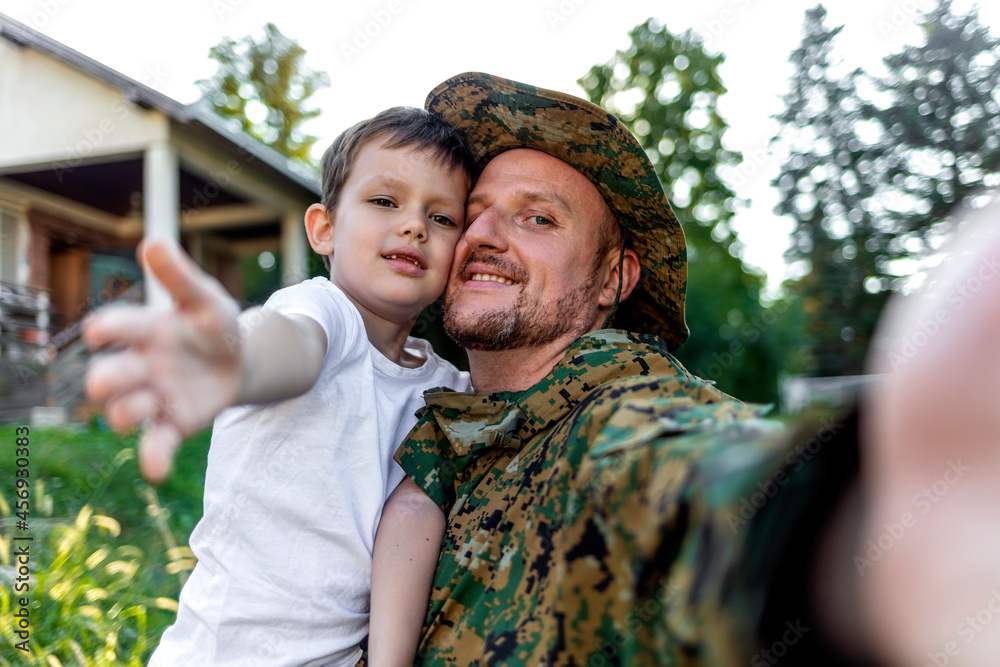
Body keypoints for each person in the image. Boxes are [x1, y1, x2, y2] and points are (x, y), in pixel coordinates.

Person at [367, 72, 1000, 666]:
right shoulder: (421, 432)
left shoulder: (616, 426)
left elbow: (699, 482)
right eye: (469, 212)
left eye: (538, 218)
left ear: (614, 278)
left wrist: (880, 537)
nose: (484, 234)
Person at [83, 107, 475, 666]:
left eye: (442, 217)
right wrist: (231, 365)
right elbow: (290, 347)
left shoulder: (445, 385)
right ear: (324, 229)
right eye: (385, 201)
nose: (414, 225)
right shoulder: (321, 311)